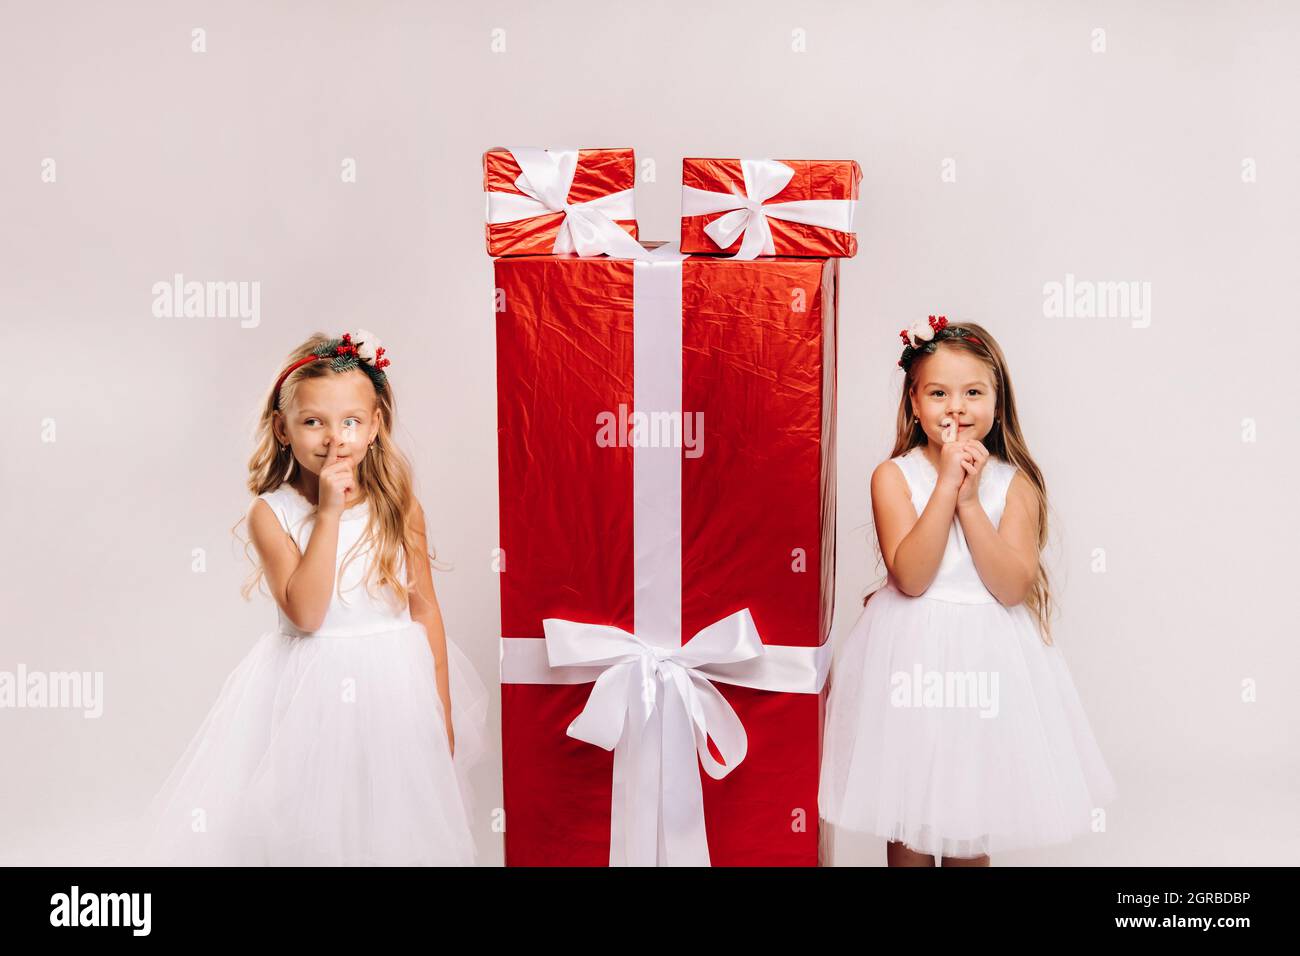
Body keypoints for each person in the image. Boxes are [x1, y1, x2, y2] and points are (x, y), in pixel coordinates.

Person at [135, 329, 487, 865]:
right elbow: (307, 613)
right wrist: (328, 512)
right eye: (312, 421)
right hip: (310, 696)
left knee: (393, 818)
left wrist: (441, 712)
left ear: (376, 426)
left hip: (396, 688)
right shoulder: (271, 513)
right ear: (282, 429)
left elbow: (425, 609)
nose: (334, 438)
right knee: (315, 823)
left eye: (350, 421)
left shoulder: (399, 508)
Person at [818, 315, 1116, 866]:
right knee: (909, 814)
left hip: (985, 665)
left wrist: (972, 501)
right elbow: (912, 576)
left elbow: (1010, 587)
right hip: (908, 661)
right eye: (938, 393)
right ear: (914, 403)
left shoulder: (1013, 483)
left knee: (968, 814)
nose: (956, 407)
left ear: (997, 405)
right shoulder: (894, 477)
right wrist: (946, 488)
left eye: (973, 392)